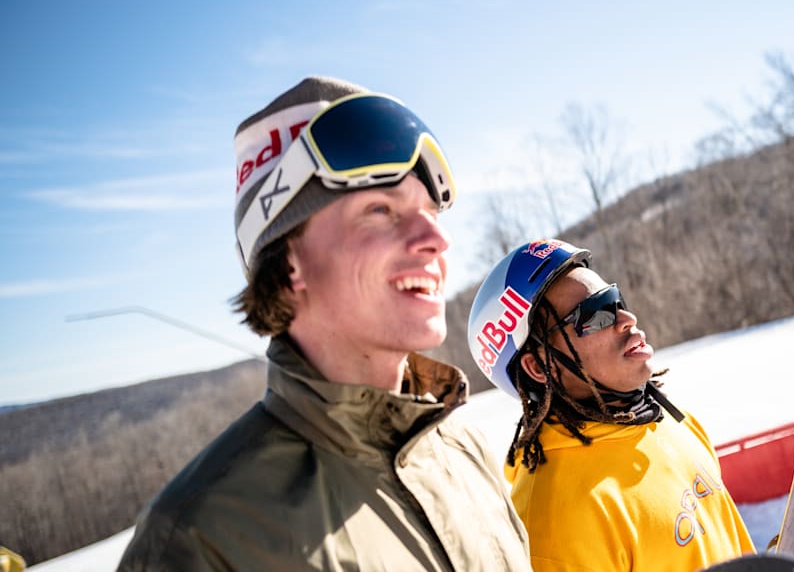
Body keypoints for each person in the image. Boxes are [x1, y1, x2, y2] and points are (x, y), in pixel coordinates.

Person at [119, 77, 530, 570]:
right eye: (380, 210)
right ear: (290, 260)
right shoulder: (202, 538)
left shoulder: (462, 447)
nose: (436, 240)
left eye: (430, 211)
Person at [467, 240, 756, 571]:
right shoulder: (553, 522)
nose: (627, 318)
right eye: (595, 314)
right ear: (538, 367)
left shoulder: (670, 421)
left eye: (615, 300)